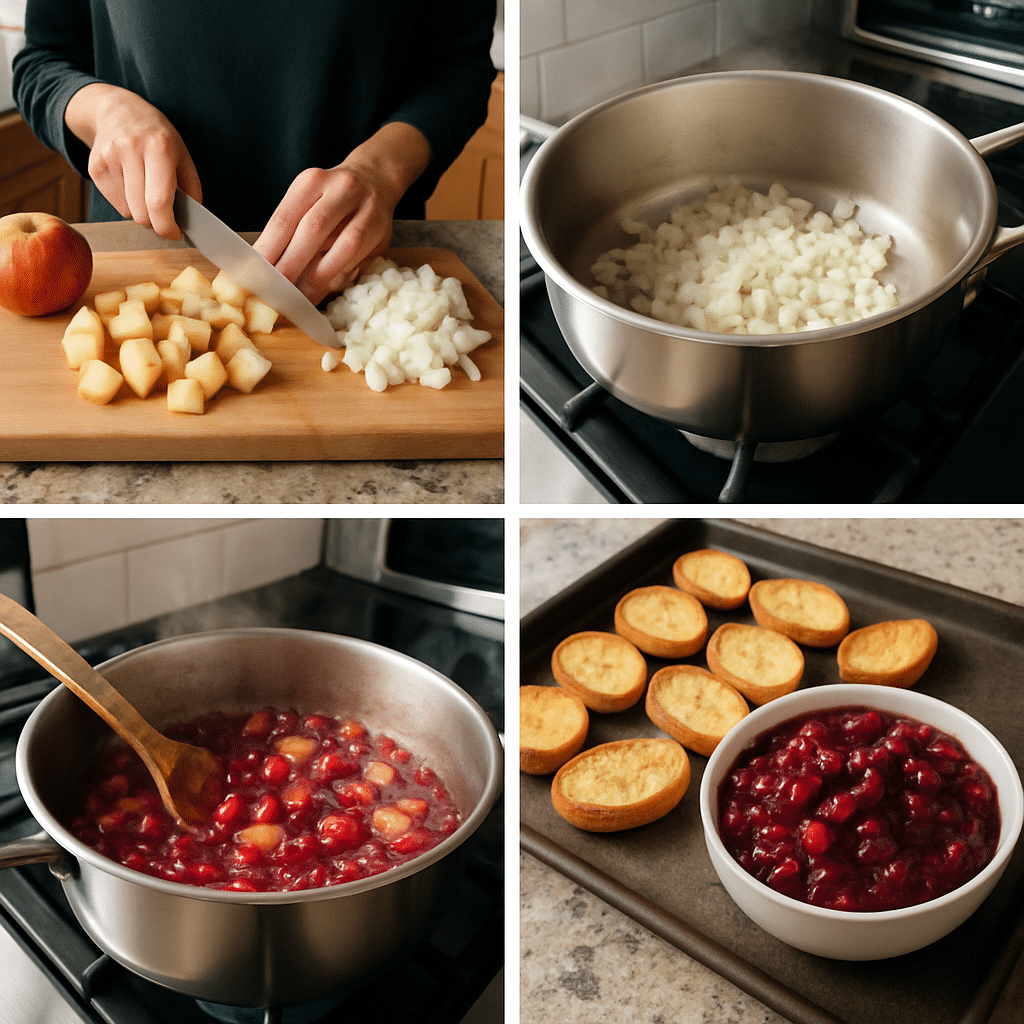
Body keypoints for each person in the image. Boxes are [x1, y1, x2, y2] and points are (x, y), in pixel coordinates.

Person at [13, 1, 497, 304]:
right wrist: (103, 109)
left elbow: (461, 64)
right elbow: (44, 61)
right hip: (136, 270)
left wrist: (383, 169)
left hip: (357, 267)